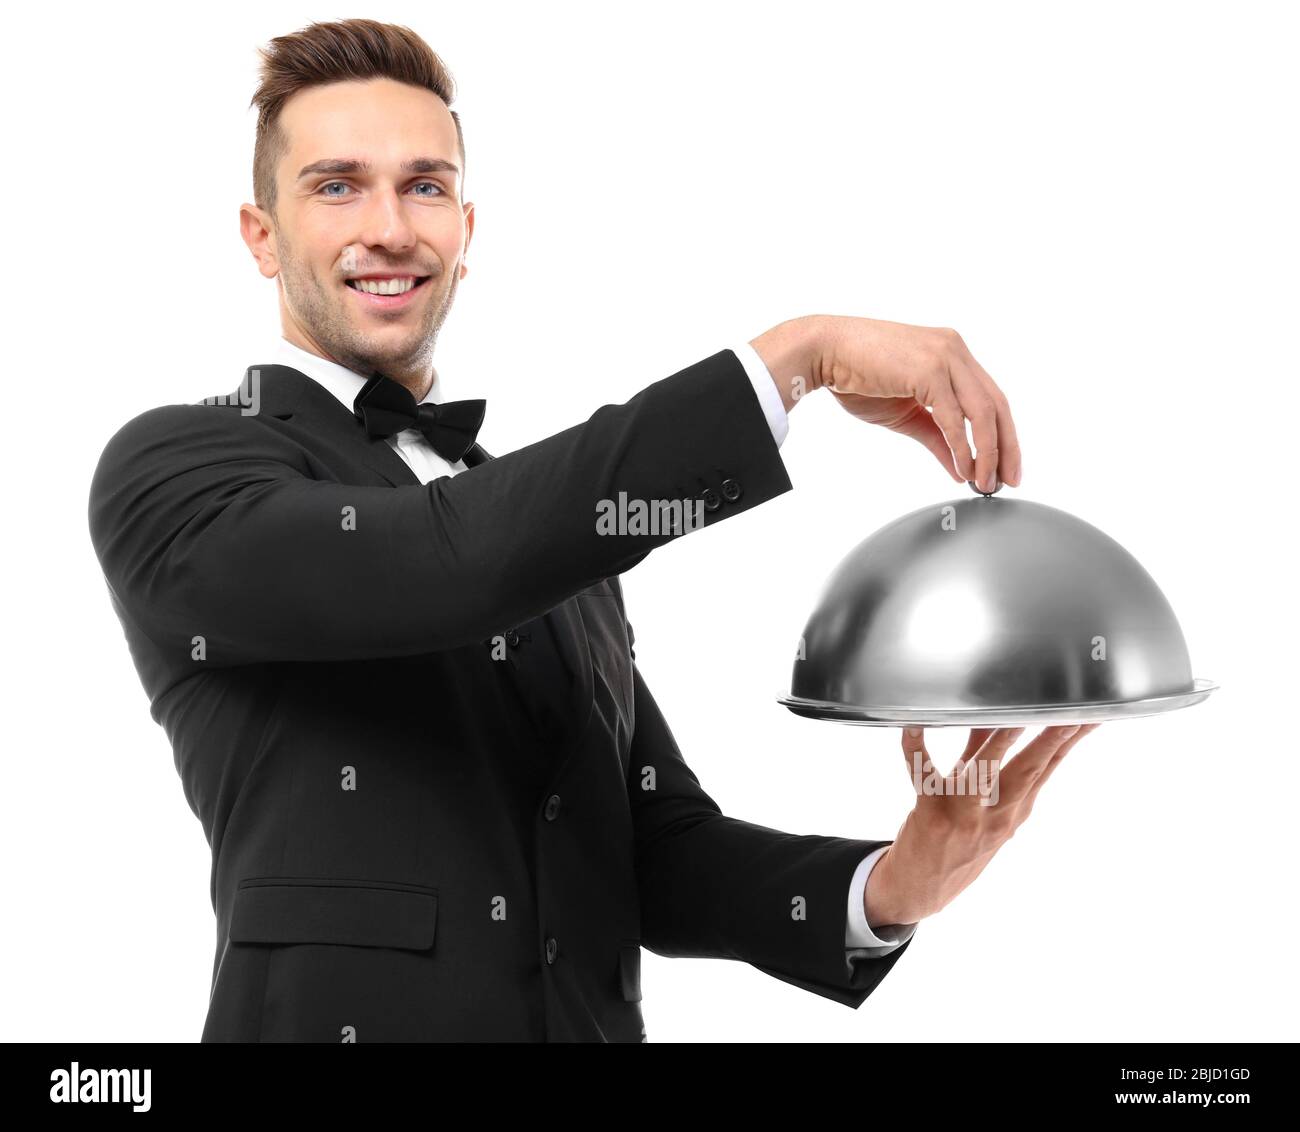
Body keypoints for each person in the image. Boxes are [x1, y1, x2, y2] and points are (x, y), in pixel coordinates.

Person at [87, 18, 1098, 1042]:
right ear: (261, 233)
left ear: (466, 232)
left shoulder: (542, 530)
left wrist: (889, 886)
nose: (389, 227)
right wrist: (799, 359)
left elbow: (651, 846)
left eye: (425, 185)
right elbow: (444, 560)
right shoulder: (176, 469)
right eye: (337, 184)